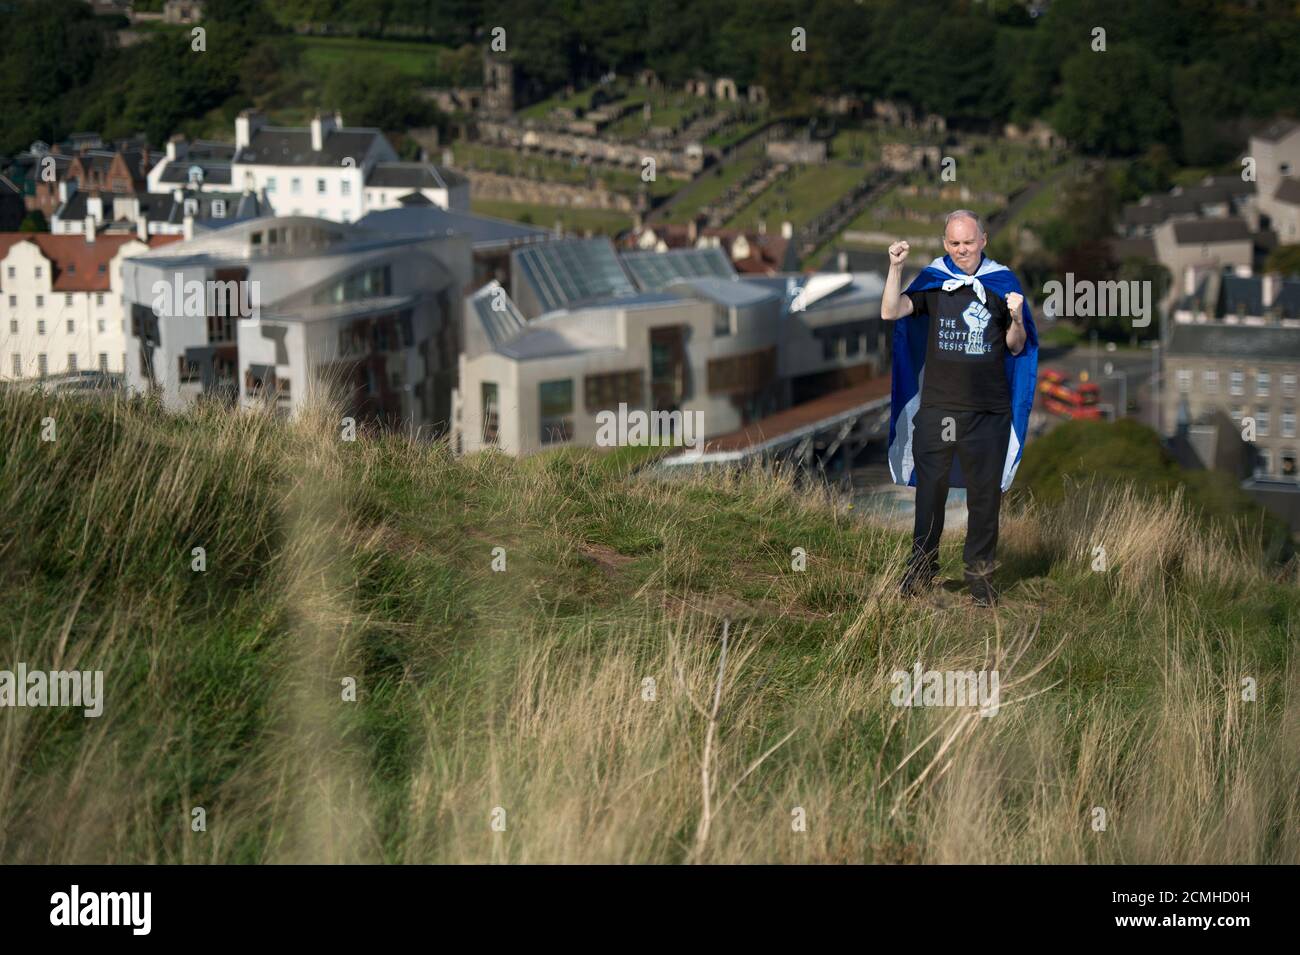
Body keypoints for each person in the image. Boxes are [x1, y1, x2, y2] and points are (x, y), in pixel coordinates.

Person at [880, 210, 1037, 607]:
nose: (961, 249)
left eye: (968, 242)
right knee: (930, 491)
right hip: (938, 409)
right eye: (953, 243)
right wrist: (895, 268)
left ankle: (980, 579)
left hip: (988, 411)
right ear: (945, 243)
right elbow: (890, 311)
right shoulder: (934, 280)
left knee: (984, 498)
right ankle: (920, 569)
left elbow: (1018, 345)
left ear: (983, 239)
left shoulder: (1003, 284)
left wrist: (1016, 316)